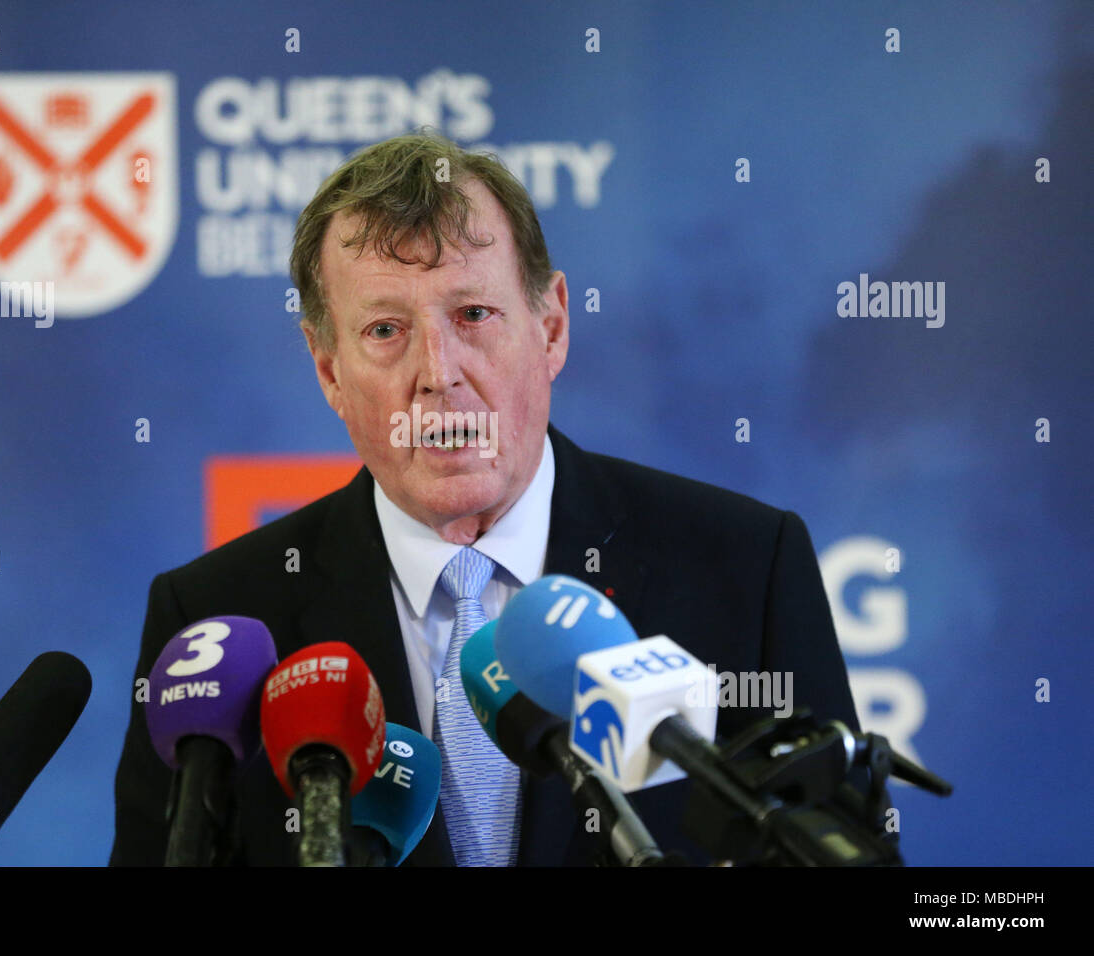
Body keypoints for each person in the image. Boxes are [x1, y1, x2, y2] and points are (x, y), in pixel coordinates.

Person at [110, 130, 867, 866]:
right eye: (384, 329)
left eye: (473, 314)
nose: (439, 372)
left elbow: (837, 845)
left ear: (552, 326)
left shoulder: (743, 568)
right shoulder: (216, 621)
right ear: (329, 370)